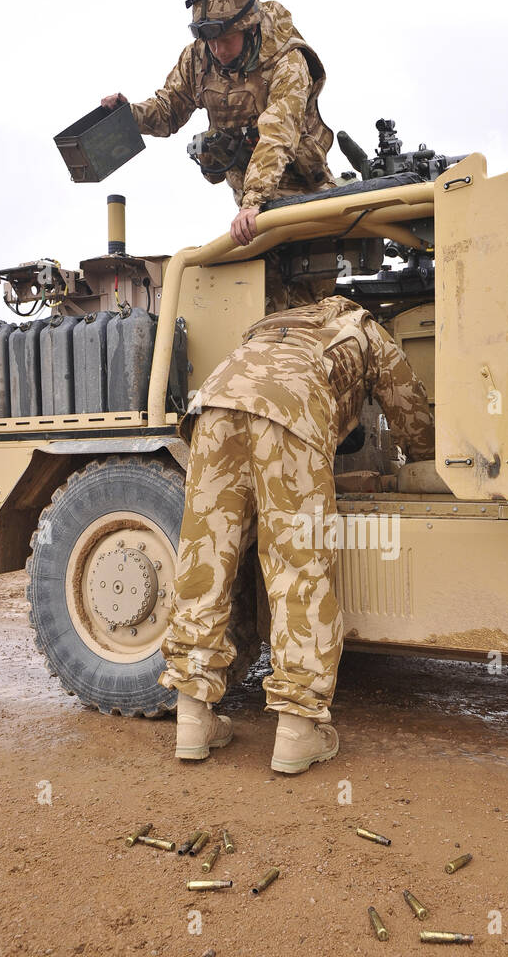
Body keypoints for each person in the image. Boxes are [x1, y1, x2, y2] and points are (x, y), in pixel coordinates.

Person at [159, 296, 436, 774]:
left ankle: (193, 719)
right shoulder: (365, 327)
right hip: (290, 411)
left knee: (205, 563)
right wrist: (424, 456)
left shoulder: (270, 324)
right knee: (298, 569)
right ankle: (295, 732)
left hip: (214, 407)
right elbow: (406, 404)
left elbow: (252, 376)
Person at [101, 0, 336, 309]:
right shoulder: (199, 59)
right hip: (252, 208)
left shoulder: (287, 62)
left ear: (250, 26)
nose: (217, 48)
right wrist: (128, 115)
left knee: (313, 309)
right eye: (209, 38)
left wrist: (253, 201)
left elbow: (276, 135)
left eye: (225, 38)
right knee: (261, 306)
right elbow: (169, 110)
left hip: (305, 201)